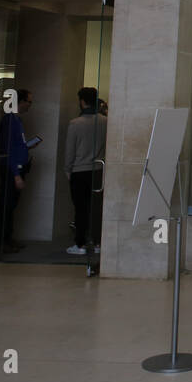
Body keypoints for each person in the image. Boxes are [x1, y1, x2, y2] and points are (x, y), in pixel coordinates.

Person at [63, 86, 108, 255]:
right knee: (96, 208)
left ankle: (80, 243)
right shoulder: (105, 121)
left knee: (80, 209)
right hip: (98, 170)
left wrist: (67, 170)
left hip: (79, 171)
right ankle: (97, 242)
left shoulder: (75, 124)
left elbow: (69, 151)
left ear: (82, 102)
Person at [0, 88, 36, 253]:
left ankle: (8, 237)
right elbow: (8, 149)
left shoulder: (17, 121)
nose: (30, 105)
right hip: (12, 169)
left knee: (11, 206)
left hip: (19, 167)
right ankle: (0, 240)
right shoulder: (9, 120)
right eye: (28, 102)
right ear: (20, 101)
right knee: (5, 205)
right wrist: (16, 174)